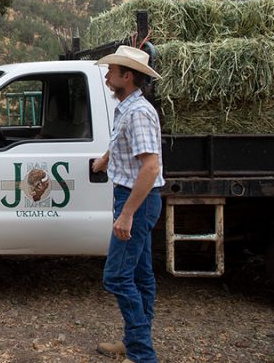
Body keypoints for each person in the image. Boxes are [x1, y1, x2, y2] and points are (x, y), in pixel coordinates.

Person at [91, 45, 164, 363]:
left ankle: (142, 354)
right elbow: (126, 143)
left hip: (137, 200)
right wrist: (106, 158)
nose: (107, 75)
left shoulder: (138, 113)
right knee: (140, 276)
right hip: (134, 197)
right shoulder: (127, 109)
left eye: (112, 70)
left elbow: (150, 167)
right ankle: (135, 342)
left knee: (117, 276)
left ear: (128, 76)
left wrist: (127, 214)